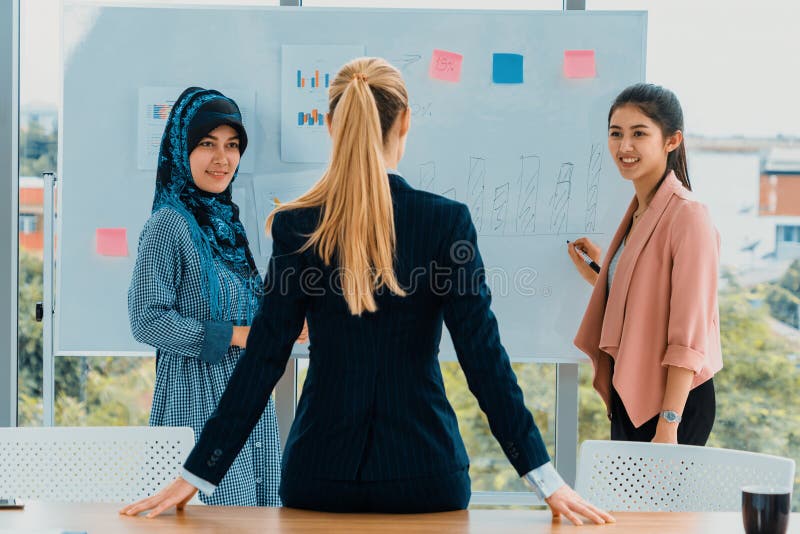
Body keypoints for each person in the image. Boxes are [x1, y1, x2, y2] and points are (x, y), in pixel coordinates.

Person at [122, 59, 613, 526]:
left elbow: (264, 359)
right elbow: (482, 358)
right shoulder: (446, 222)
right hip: (425, 475)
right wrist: (543, 478)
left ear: (332, 124)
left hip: (320, 476)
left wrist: (197, 472)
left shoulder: (297, 226)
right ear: (404, 123)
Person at [128, 87, 290, 506]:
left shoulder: (228, 228)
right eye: (207, 144)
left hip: (245, 399)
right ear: (181, 149)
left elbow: (247, 312)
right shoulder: (168, 224)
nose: (223, 159)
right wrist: (240, 336)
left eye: (232, 146)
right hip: (192, 400)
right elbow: (146, 318)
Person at [569, 83, 722, 445]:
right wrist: (603, 272)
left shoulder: (688, 215)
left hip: (673, 403)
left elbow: (689, 330)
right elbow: (650, 297)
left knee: (658, 505)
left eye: (639, 134)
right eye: (616, 134)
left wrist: (669, 423)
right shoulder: (641, 212)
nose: (624, 147)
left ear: (672, 141)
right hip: (635, 393)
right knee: (631, 505)